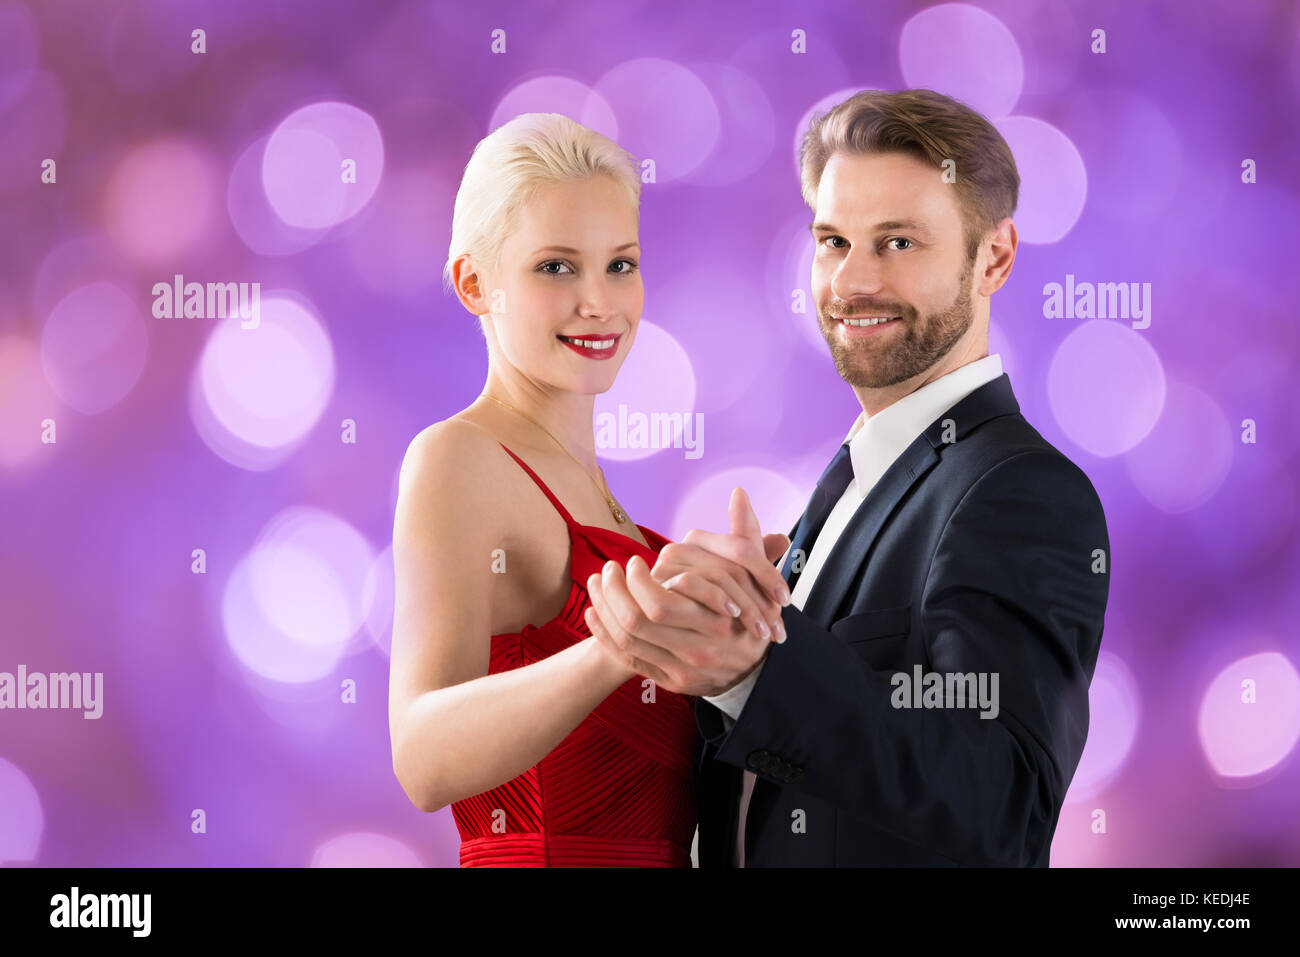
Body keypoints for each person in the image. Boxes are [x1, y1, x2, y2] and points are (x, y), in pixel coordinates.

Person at [585, 88, 1112, 866]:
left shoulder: (1021, 491)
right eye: (833, 242)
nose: (852, 282)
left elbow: (1001, 802)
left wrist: (758, 669)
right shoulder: (846, 489)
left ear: (993, 256)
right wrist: (719, 636)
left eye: (897, 242)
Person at [386, 113, 789, 867]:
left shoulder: (608, 502)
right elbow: (422, 755)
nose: (599, 301)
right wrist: (616, 647)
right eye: (555, 267)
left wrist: (751, 626)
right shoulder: (458, 457)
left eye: (621, 264)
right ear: (476, 283)